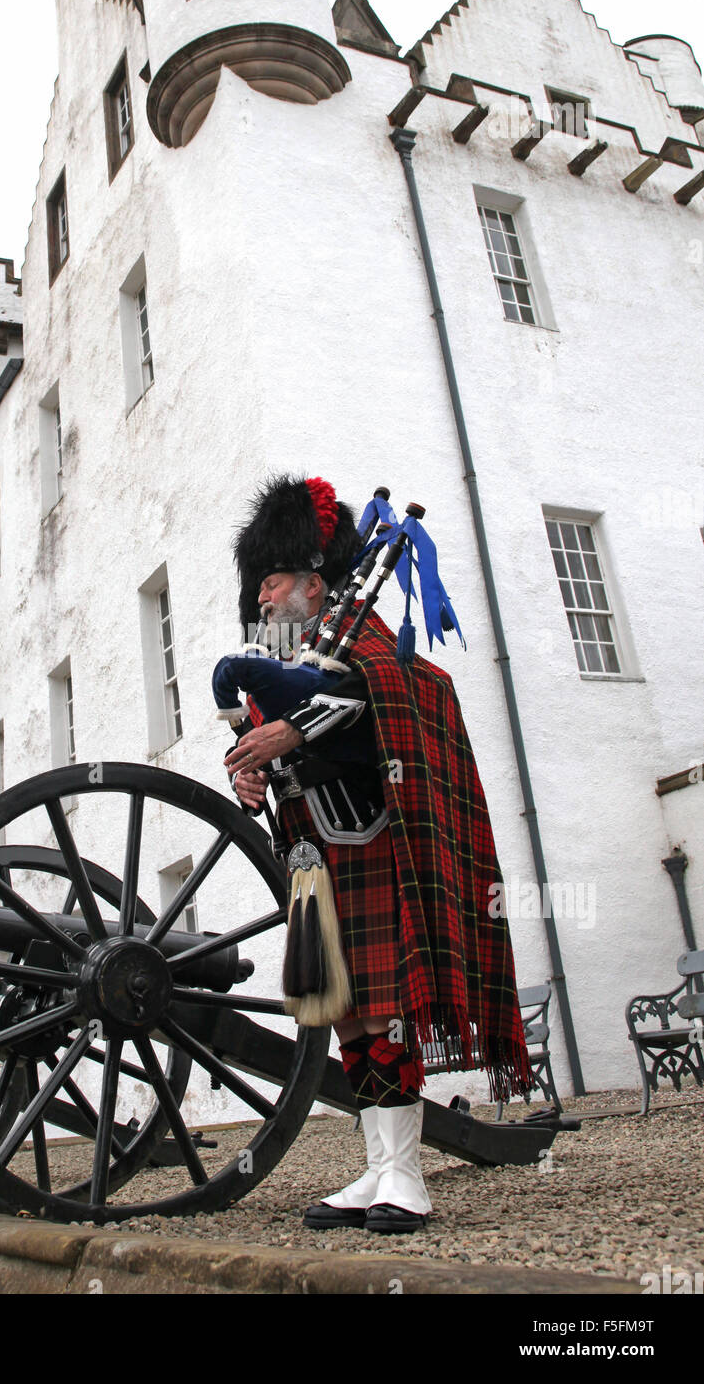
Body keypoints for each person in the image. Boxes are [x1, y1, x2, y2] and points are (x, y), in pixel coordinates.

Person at [224, 475, 533, 1234]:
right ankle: (376, 1168)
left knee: (385, 1007)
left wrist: (294, 730)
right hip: (307, 850)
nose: (262, 599)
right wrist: (249, 768)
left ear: (311, 578)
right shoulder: (290, 657)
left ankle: (404, 1175)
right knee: (348, 1015)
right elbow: (264, 730)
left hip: (370, 838)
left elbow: (407, 685)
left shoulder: (360, 641)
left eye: (271, 582)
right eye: (258, 587)